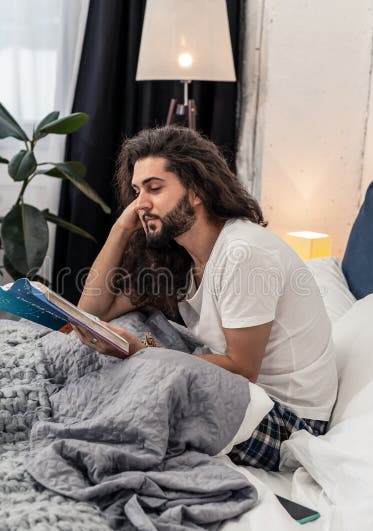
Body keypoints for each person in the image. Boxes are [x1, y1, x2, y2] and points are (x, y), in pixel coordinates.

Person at [72, 126, 337, 471]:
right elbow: (92, 314)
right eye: (137, 192)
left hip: (287, 421)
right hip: (240, 395)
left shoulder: (243, 253)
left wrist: (142, 354)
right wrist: (120, 228)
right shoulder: (179, 254)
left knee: (145, 370)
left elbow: (243, 368)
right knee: (131, 326)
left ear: (196, 190)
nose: (141, 204)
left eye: (154, 188)